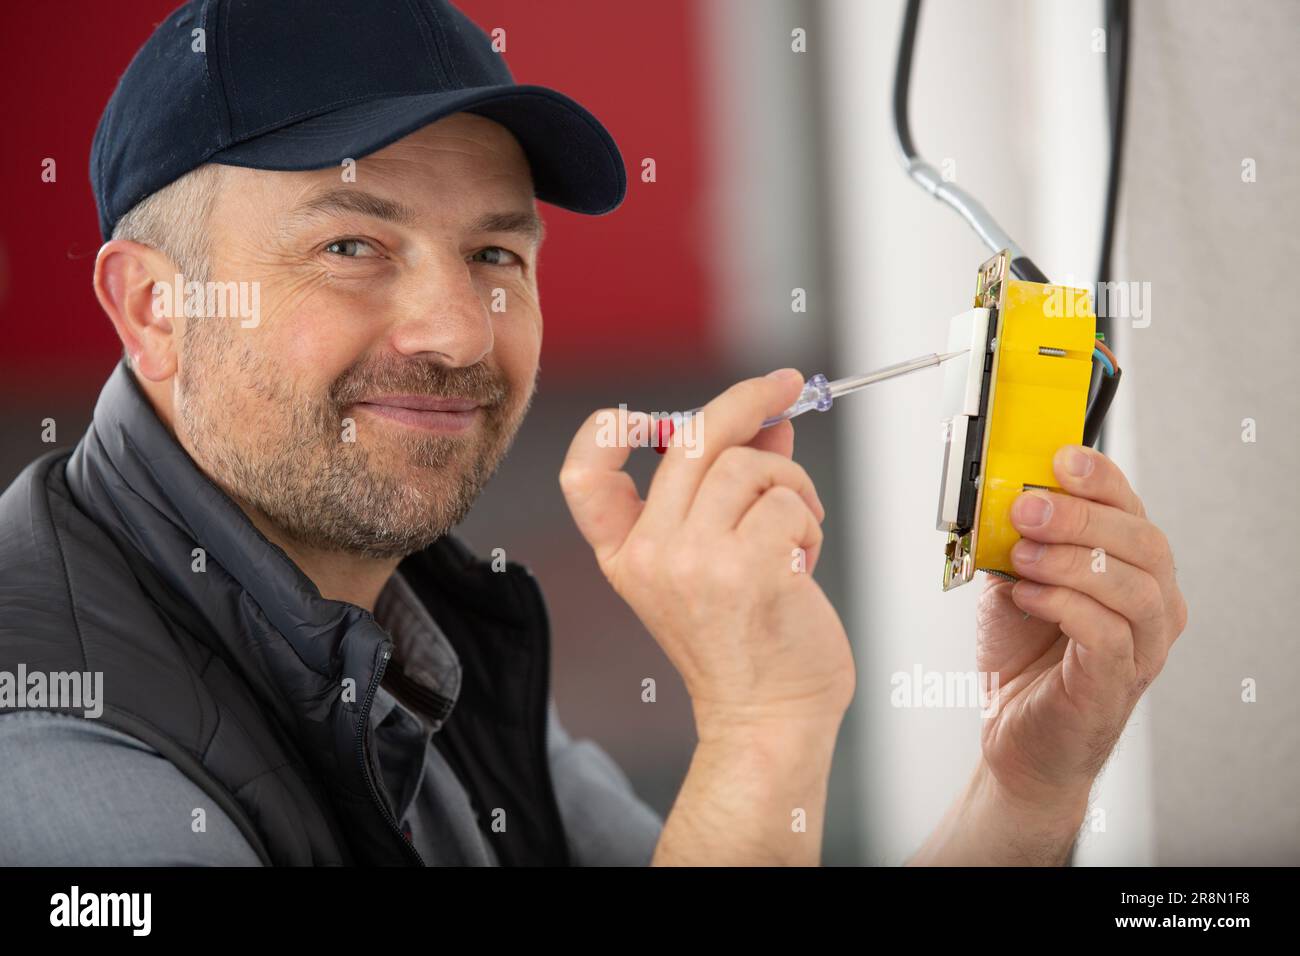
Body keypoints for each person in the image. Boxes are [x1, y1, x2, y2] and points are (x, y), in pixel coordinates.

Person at [0, 0, 1186, 867]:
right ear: (155, 307)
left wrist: (1027, 783)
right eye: (350, 245)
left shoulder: (419, 630)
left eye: (494, 254)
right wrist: (762, 724)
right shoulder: (54, 754)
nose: (459, 331)